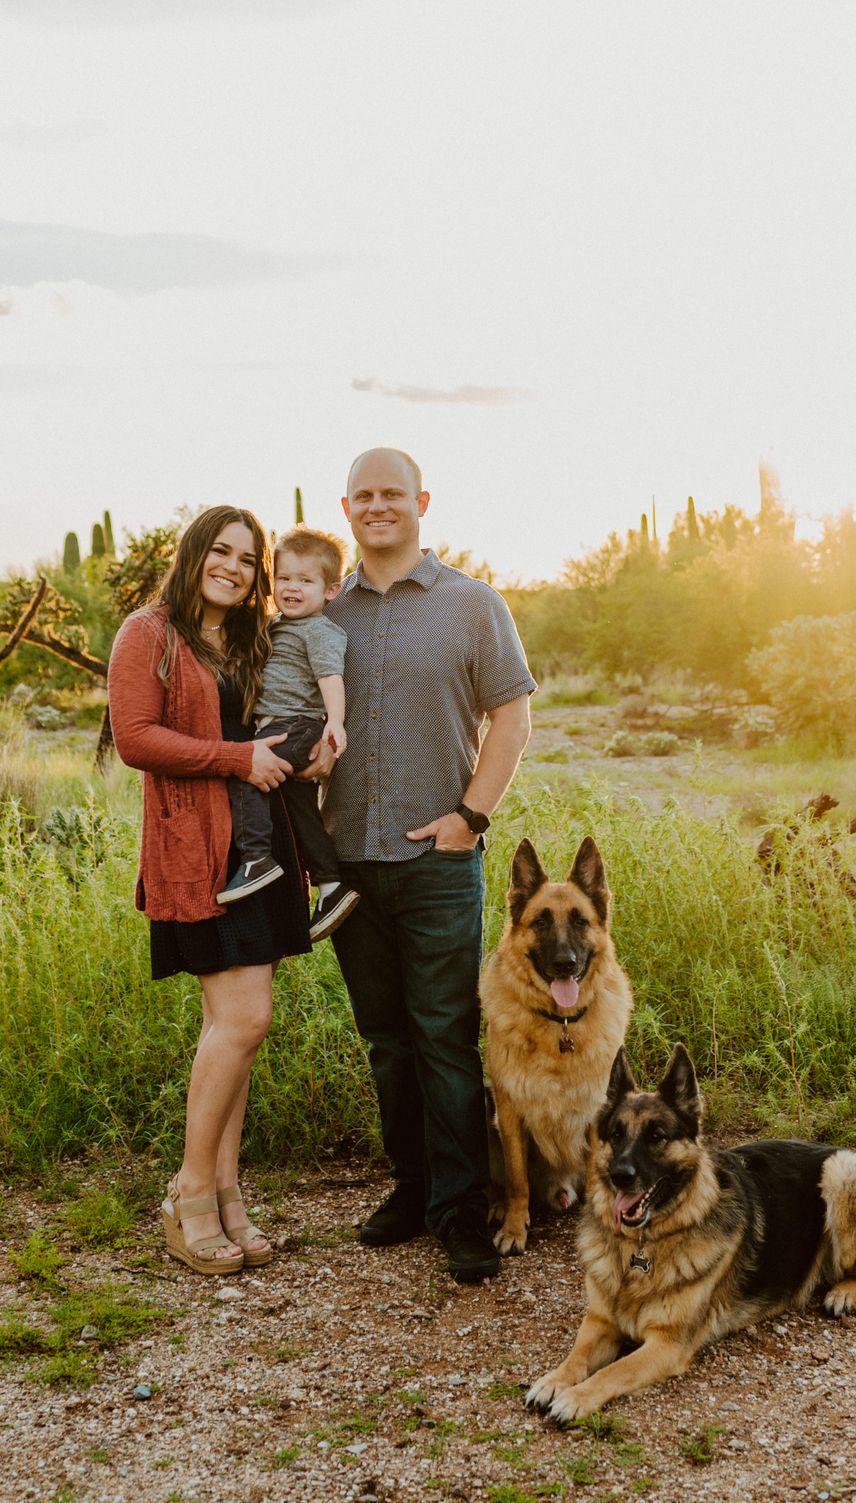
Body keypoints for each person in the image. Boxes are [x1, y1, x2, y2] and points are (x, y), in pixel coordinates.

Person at [314, 446, 535, 1283]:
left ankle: (460, 1206)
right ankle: (412, 1187)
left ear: (421, 502)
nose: (378, 506)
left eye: (392, 494)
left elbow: (511, 722)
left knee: (444, 1036)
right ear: (346, 507)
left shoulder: (473, 606)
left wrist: (470, 818)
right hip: (348, 868)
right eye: (364, 495)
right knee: (386, 1040)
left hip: (439, 862)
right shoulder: (322, 617)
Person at [107, 506, 310, 1275]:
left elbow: (268, 734)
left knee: (237, 1032)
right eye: (220, 551)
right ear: (193, 553)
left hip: (261, 852)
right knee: (243, 1021)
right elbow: (136, 738)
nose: (234, 566)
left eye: (248, 558)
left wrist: (306, 747)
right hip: (200, 856)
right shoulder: (148, 632)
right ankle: (188, 1189)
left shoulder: (252, 638)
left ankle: (227, 1192)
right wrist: (236, 758)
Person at [218, 525, 360, 943]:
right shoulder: (279, 625)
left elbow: (330, 676)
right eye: (284, 578)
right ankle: (331, 885)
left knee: (247, 770)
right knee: (302, 812)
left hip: (296, 725)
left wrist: (335, 722)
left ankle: (257, 857)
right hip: (282, 724)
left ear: (330, 590)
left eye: (305, 580)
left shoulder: (318, 630)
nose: (292, 588)